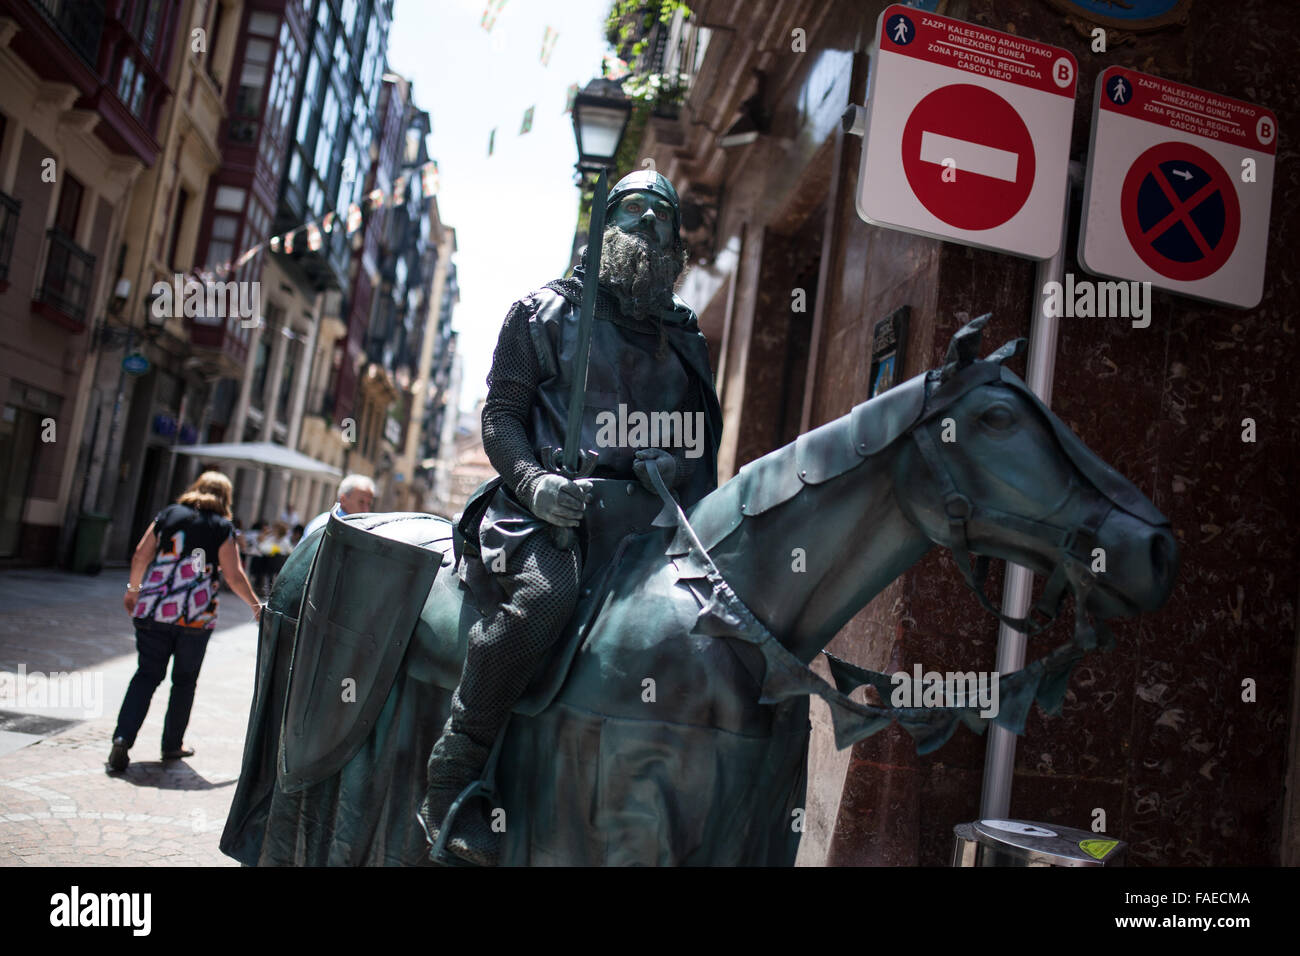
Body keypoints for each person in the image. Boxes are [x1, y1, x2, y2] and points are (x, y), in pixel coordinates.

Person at [416, 170, 723, 865]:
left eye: (661, 218)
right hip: (547, 518)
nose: (647, 226)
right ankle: (455, 775)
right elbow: (500, 418)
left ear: (677, 242)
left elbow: (697, 448)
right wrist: (533, 481)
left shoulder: (685, 339)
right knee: (544, 601)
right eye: (633, 211)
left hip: (646, 528)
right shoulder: (541, 311)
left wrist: (670, 467)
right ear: (604, 223)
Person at [110, 471, 262, 772]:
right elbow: (233, 575)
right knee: (184, 681)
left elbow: (141, 555)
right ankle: (171, 745)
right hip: (195, 614)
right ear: (226, 498)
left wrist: (133, 591)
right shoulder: (222, 527)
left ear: (196, 488)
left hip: (153, 609)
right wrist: (256, 606)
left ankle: (123, 738)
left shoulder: (168, 515)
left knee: (146, 675)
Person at [303, 474, 375, 540]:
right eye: (361, 502)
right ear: (343, 500)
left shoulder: (364, 530)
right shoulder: (325, 525)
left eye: (369, 504)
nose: (366, 509)